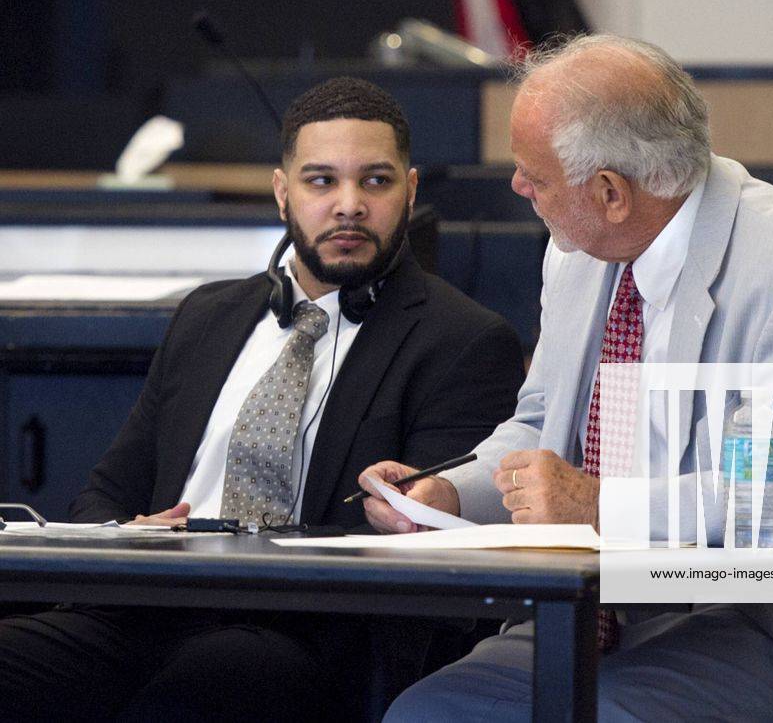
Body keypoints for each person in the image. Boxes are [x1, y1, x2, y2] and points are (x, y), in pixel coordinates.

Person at [360, 35, 773, 722]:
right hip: (605, 610)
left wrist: (603, 506)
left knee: (598, 714)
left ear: (609, 192)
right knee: (430, 710)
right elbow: (540, 428)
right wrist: (445, 495)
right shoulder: (578, 252)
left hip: (769, 622)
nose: (519, 187)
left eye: (535, 177)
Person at [0, 77, 525, 720]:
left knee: (221, 676)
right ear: (284, 194)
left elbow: (434, 549)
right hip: (147, 608)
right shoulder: (208, 315)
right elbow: (108, 491)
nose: (349, 205)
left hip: (301, 633)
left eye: (376, 182)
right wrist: (125, 532)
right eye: (322, 181)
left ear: (411, 192)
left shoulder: (464, 340)